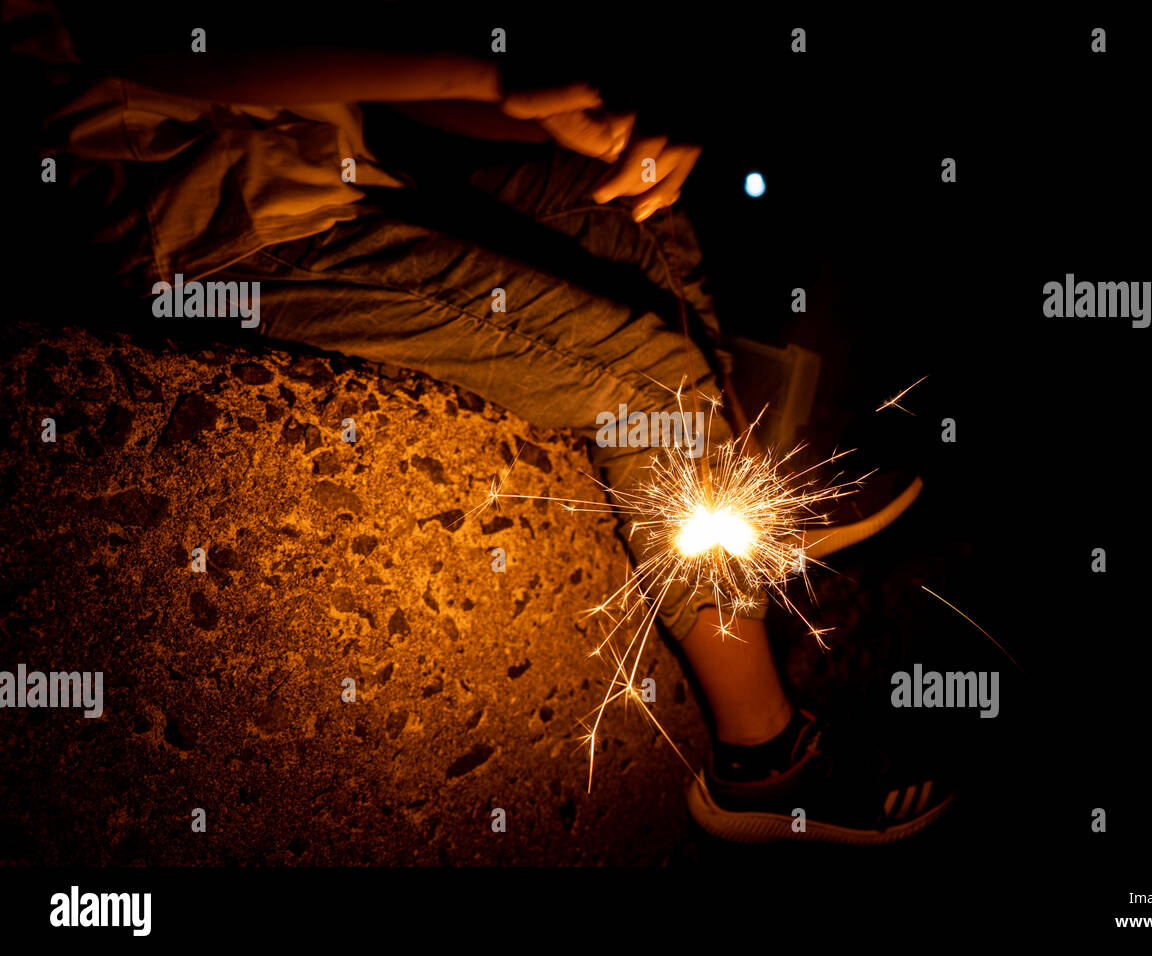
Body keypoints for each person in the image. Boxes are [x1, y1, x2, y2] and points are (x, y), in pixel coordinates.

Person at [8, 0, 951, 844]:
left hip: (348, 181)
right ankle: (763, 760)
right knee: (656, 389)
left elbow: (365, 80)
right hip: (221, 233)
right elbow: (169, 41)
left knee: (626, 212)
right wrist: (490, 69)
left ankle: (743, 501)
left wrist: (559, 119)